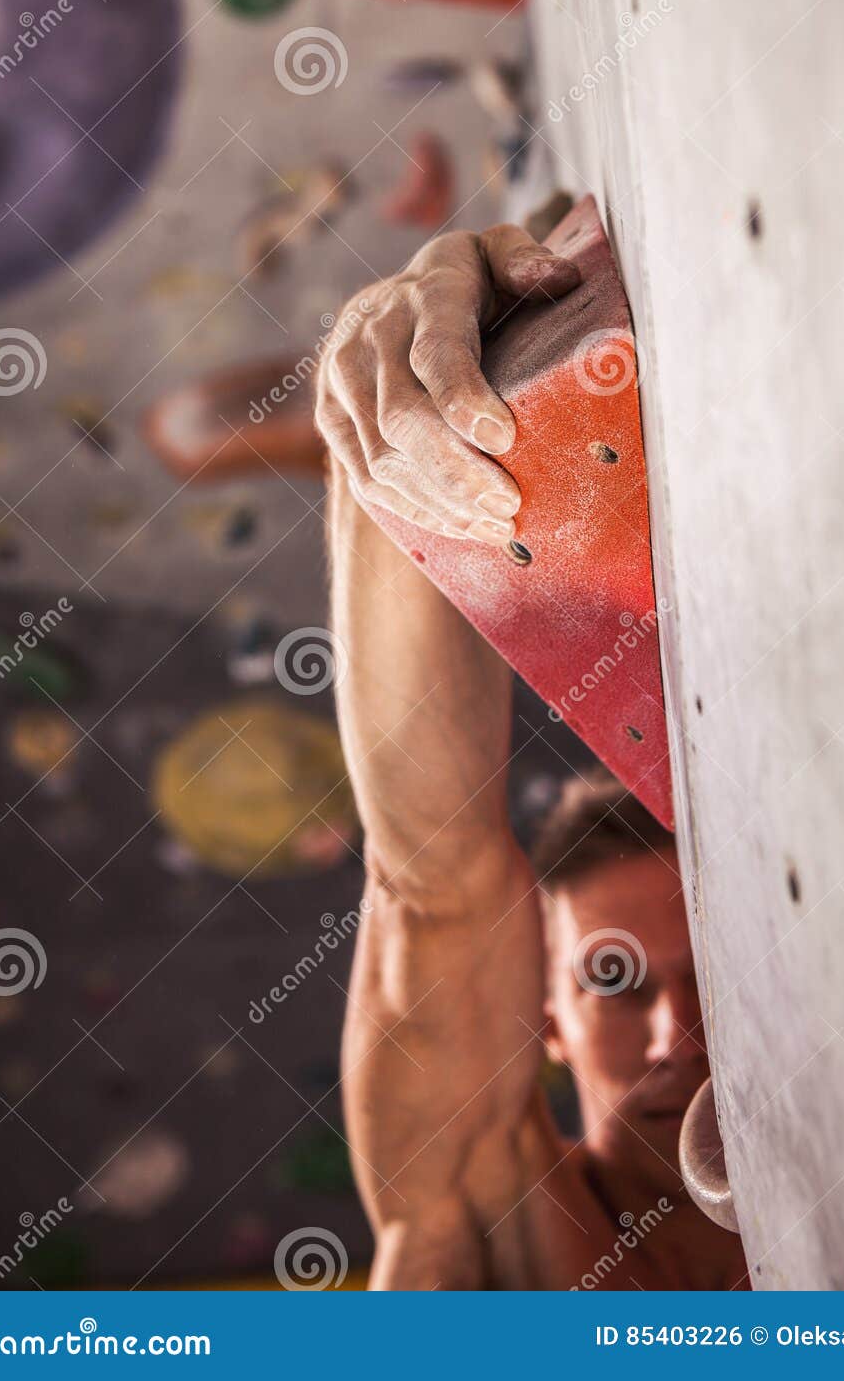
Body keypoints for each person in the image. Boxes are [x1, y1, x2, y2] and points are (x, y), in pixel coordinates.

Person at [317, 224, 747, 1289]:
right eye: (613, 979)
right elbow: (432, 884)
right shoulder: (490, 1239)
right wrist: (393, 399)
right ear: (546, 1019)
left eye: (717, 977)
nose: (675, 1034)